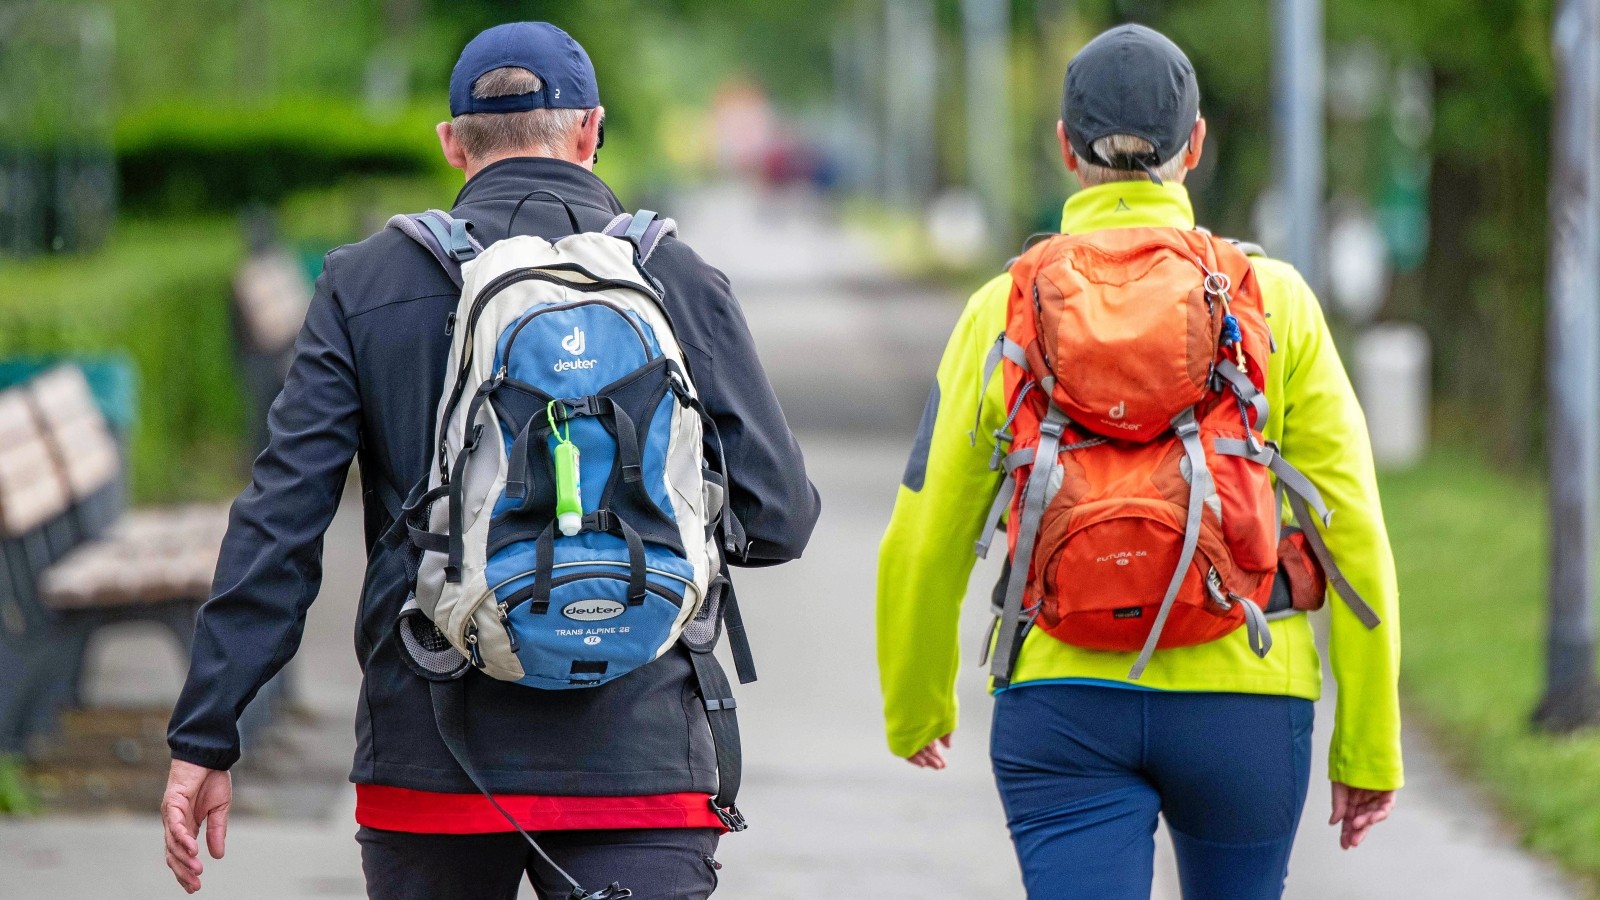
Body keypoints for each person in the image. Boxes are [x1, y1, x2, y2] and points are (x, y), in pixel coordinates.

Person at [161, 21, 819, 900]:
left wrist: (207, 732)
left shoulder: (367, 282)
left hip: (432, 755)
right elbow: (779, 521)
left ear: (451, 143)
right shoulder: (675, 277)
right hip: (639, 765)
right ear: (591, 131)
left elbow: (283, 521)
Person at [876, 23, 1401, 900]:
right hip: (1248, 687)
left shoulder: (1000, 308)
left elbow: (925, 532)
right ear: (1195, 145)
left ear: (1064, 149)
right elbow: (1353, 531)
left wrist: (918, 700)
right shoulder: (1276, 302)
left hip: (1063, 691)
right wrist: (1370, 742)